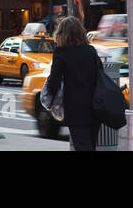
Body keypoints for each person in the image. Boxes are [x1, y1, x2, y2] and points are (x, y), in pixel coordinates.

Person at [42, 15, 103, 152]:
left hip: (75, 108)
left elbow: (54, 80)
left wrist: (50, 99)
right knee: (90, 145)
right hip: (94, 107)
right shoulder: (91, 51)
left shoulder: (61, 53)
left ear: (61, 33)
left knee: (81, 145)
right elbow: (100, 75)